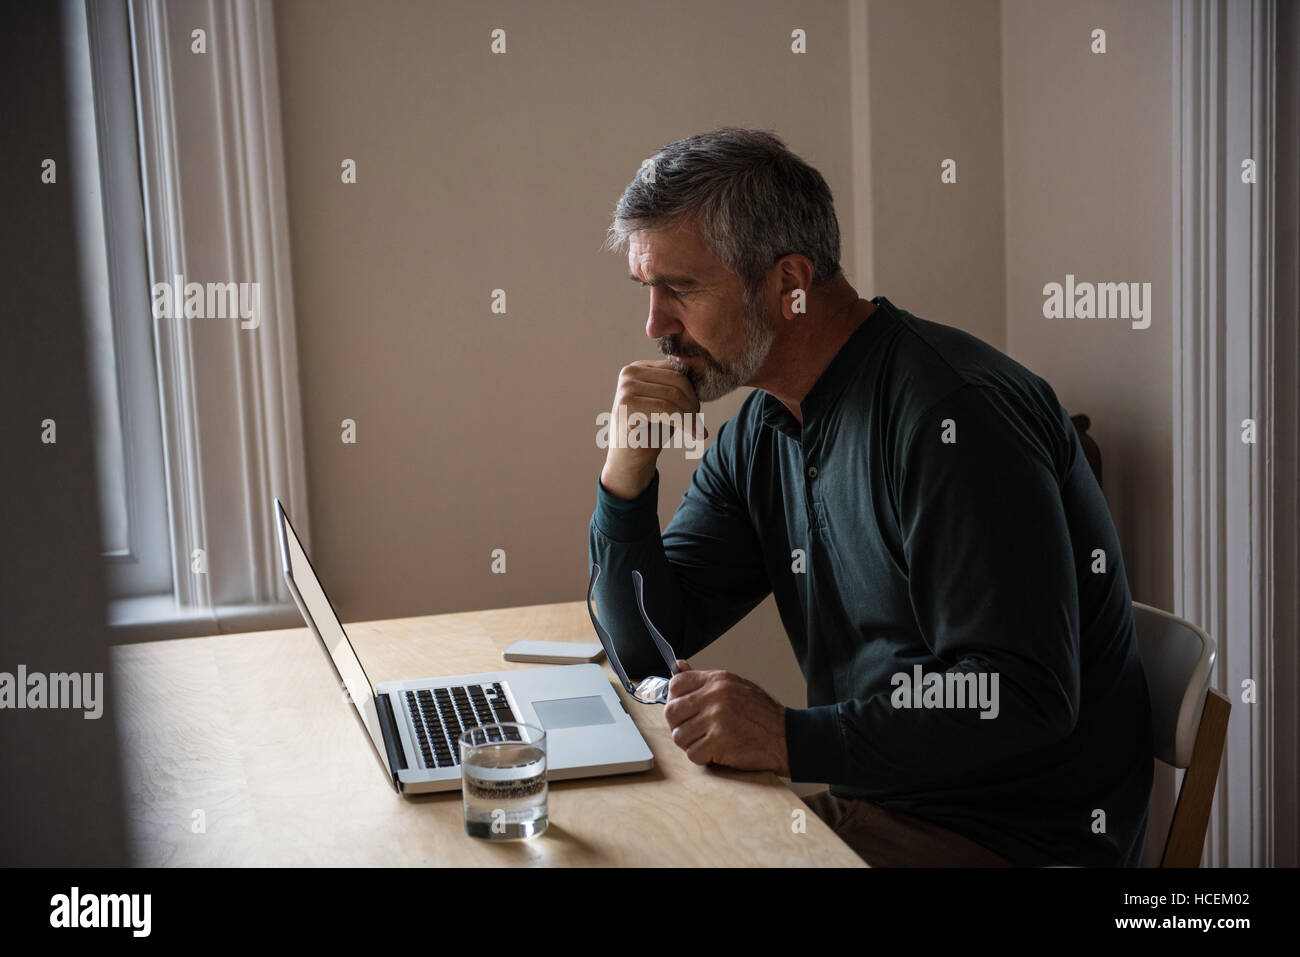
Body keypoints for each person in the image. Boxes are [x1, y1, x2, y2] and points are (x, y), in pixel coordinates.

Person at [588, 127, 1153, 867]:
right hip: (885, 806)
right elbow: (644, 644)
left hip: (1014, 839)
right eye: (649, 291)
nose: (656, 325)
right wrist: (625, 476)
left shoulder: (953, 419)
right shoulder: (766, 425)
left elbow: (1021, 695)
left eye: (682, 289)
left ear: (790, 281)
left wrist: (791, 737)